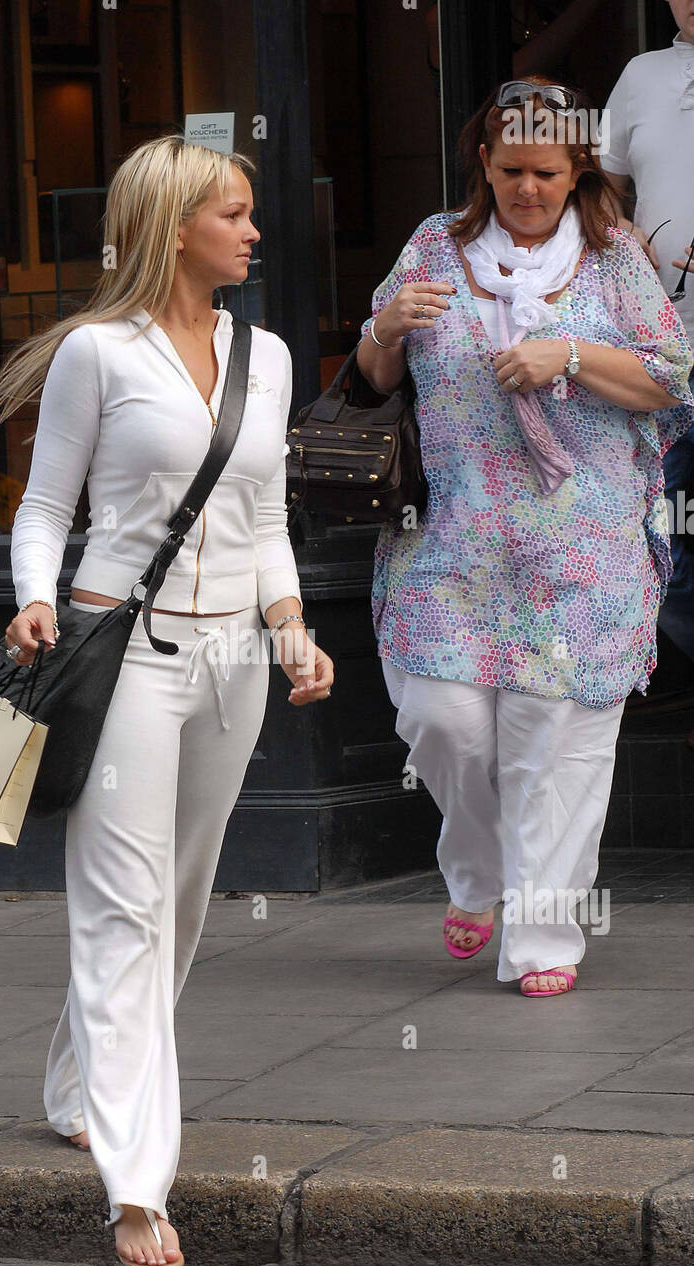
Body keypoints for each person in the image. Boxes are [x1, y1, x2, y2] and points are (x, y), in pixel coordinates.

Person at [0, 135, 334, 1266]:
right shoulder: (96, 351)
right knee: (123, 910)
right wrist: (33, 597)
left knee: (178, 904)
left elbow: (266, 518)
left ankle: (79, 1077)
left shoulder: (265, 356)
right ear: (174, 225)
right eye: (231, 212)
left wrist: (290, 628)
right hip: (120, 651)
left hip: (234, 657)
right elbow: (43, 506)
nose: (253, 228)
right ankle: (136, 1182)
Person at [357, 76, 694, 999]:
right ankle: (475, 872)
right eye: (512, 171)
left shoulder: (616, 257)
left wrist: (571, 358)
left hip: (584, 544)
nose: (530, 190)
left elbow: (673, 381)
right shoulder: (437, 243)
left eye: (547, 172)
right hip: (453, 536)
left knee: (560, 749)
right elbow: (376, 372)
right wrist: (382, 329)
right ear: (484, 164)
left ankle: (542, 938)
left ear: (578, 166)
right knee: (441, 720)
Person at [599, 0, 694, 700]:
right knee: (658, 534)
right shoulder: (641, 75)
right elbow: (603, 181)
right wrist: (620, 232)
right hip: (662, 357)